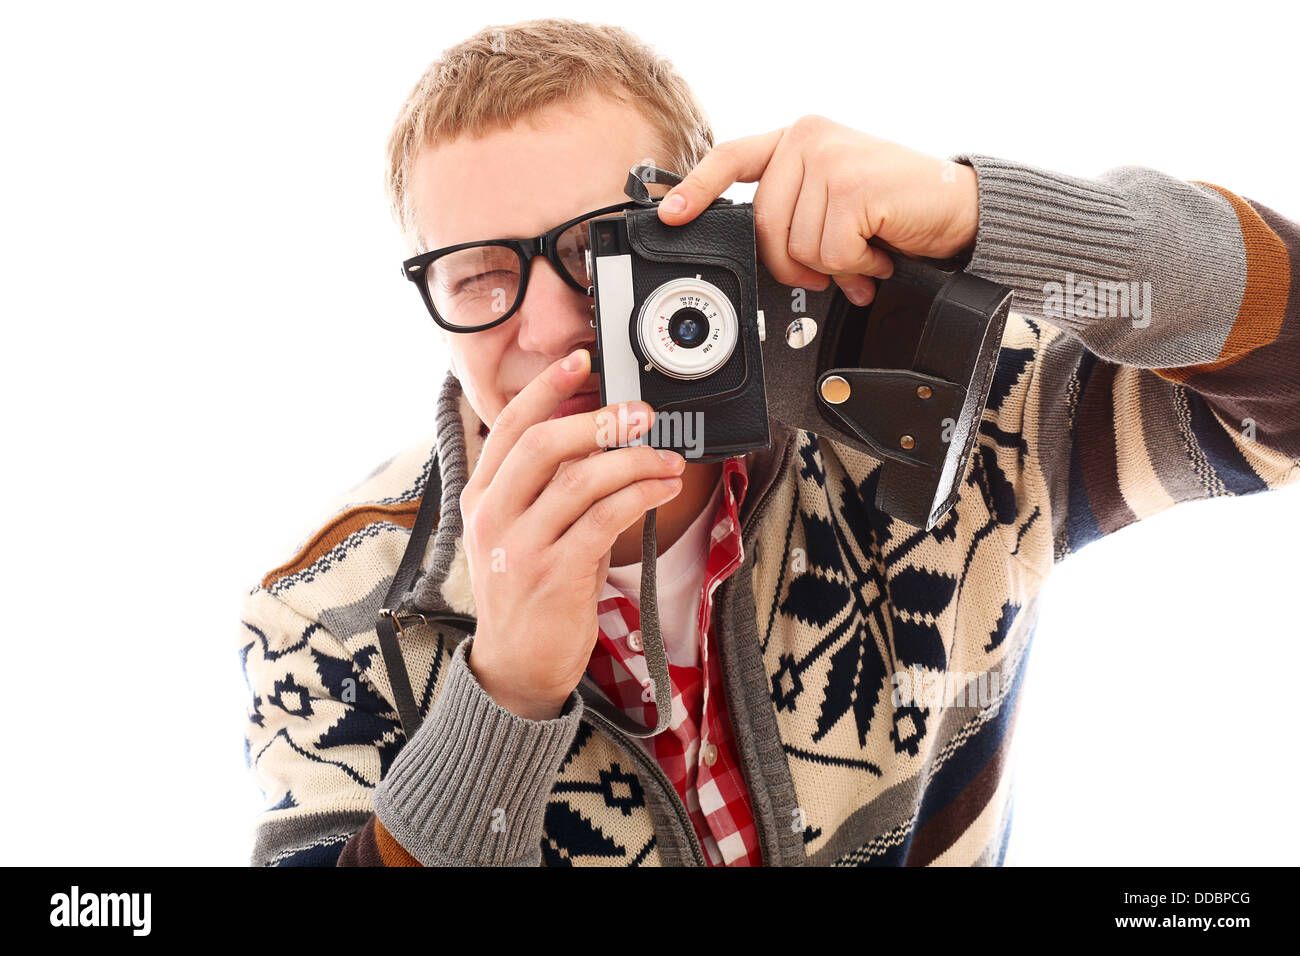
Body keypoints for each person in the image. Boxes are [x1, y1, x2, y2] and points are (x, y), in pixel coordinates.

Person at [237, 17, 1300, 867]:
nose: (555, 323)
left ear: (713, 238)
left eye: (601, 250)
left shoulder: (954, 418)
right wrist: (504, 693)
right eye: (477, 274)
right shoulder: (319, 608)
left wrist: (984, 216)